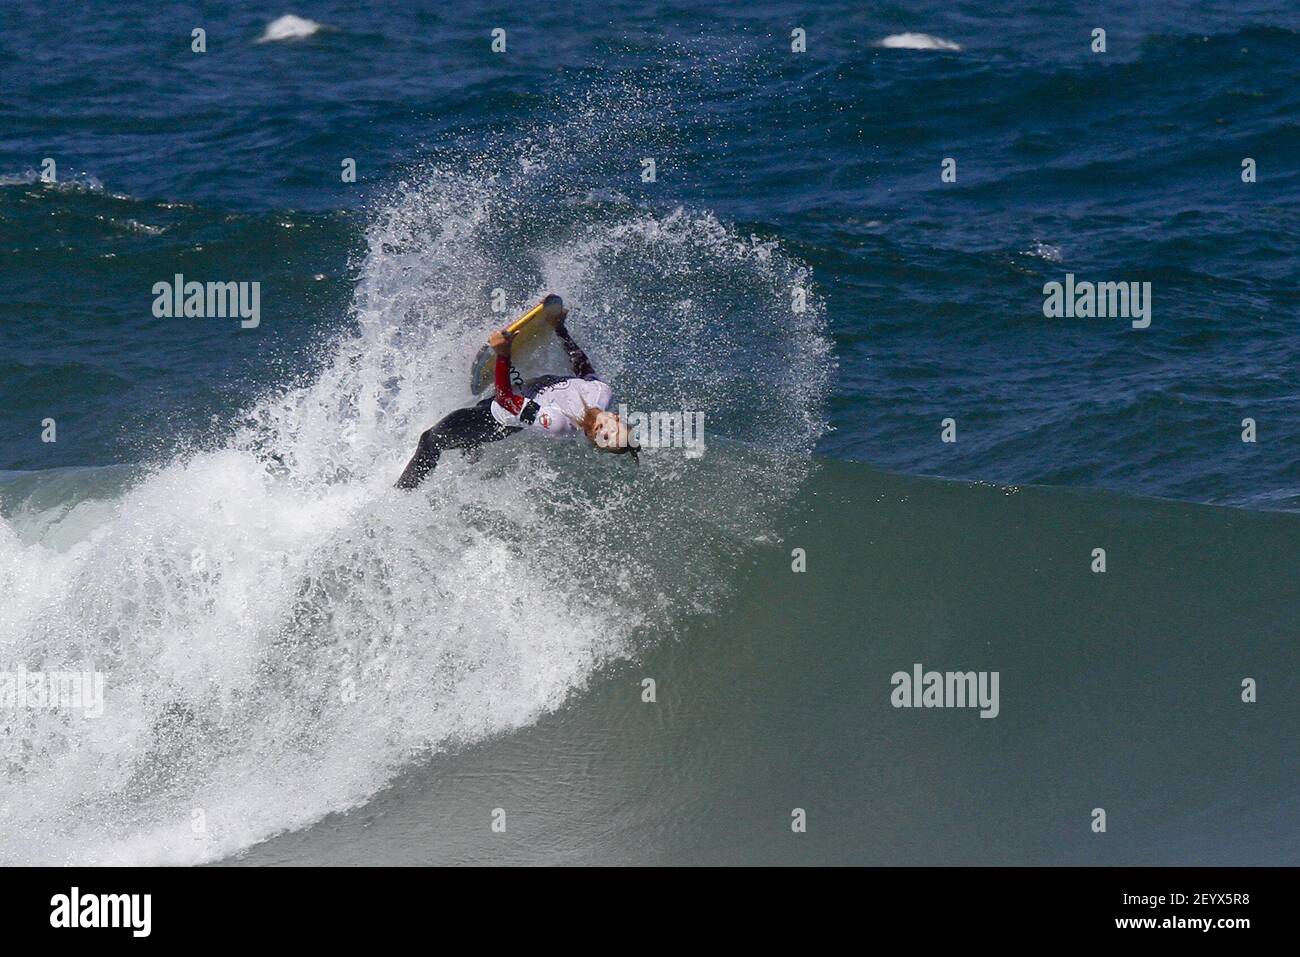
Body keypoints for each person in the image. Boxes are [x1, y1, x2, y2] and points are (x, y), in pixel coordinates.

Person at [395, 295, 637, 489]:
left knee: (429, 440)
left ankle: (403, 494)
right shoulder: (601, 392)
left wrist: (503, 354)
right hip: (507, 402)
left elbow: (507, 400)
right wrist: (560, 330)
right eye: (611, 430)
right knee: (463, 439)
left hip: (494, 420)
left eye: (603, 441)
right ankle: (470, 450)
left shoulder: (559, 425)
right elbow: (583, 368)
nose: (602, 432)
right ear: (616, 417)